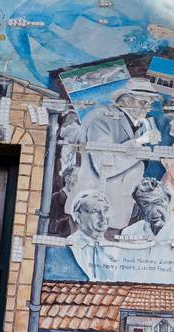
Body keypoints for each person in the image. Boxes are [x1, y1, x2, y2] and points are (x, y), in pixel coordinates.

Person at [59, 85, 158, 229]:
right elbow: (104, 167)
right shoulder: (101, 119)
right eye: (143, 103)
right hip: (91, 216)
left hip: (114, 216)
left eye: (150, 104)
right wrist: (138, 143)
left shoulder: (137, 124)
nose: (147, 109)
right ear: (125, 102)